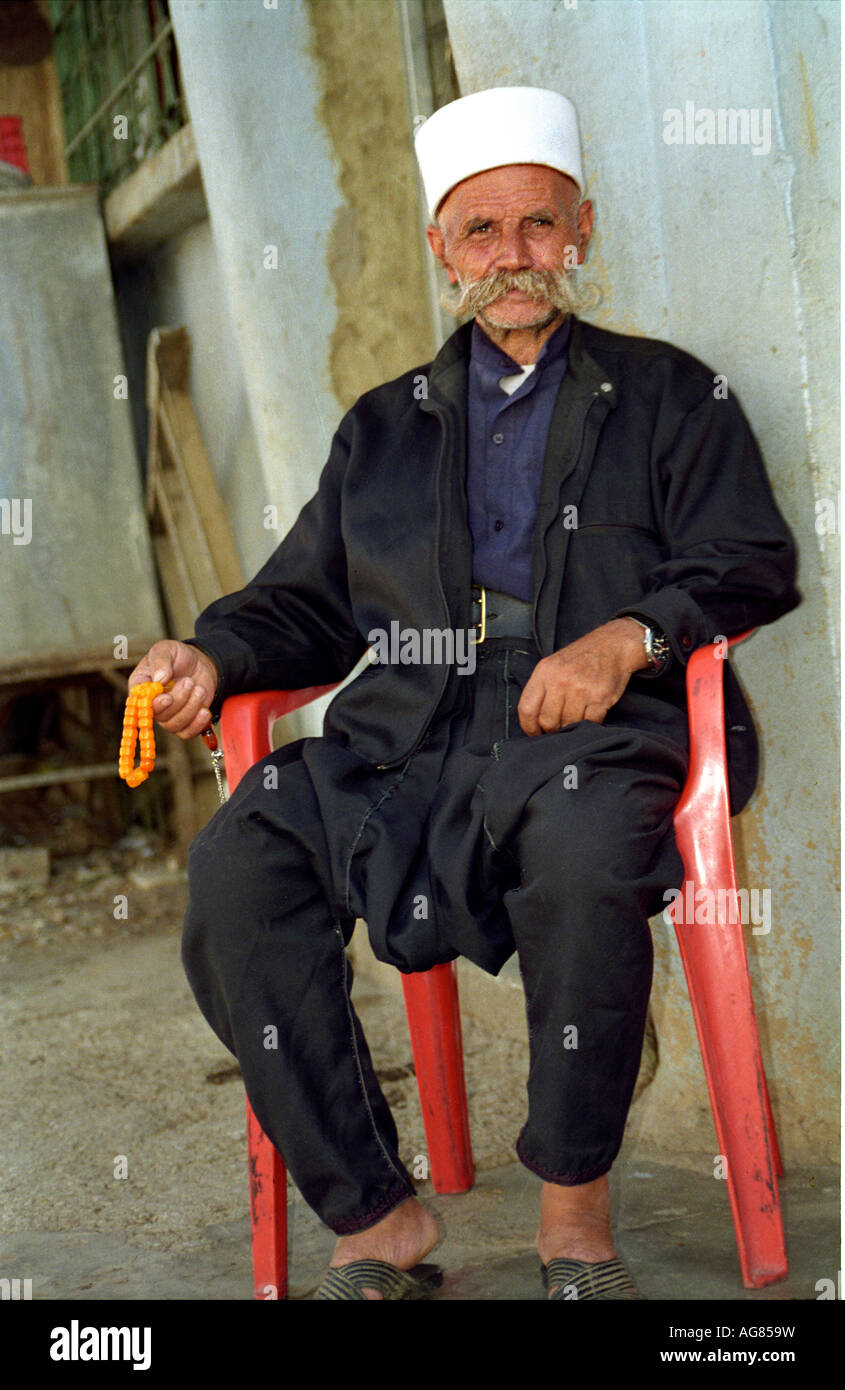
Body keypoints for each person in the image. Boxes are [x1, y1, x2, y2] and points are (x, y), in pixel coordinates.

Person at [129, 87, 800, 1300]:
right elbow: (308, 603)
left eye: (537, 226)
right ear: (442, 249)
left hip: (594, 724)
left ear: (580, 227)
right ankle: (375, 1214)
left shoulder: (667, 394)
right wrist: (210, 656)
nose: (512, 258)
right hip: (405, 731)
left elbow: (745, 557)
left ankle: (573, 1212)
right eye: (480, 232)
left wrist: (625, 637)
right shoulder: (384, 427)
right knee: (242, 858)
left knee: (590, 846)